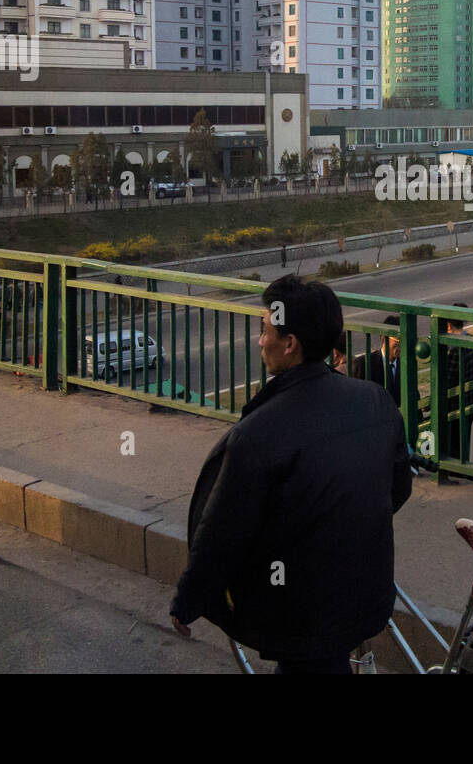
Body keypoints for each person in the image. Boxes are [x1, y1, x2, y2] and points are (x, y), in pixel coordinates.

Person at [170, 275, 412, 672]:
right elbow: (396, 490)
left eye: (265, 330)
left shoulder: (258, 433)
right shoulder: (376, 401)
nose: (260, 340)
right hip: (365, 596)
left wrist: (188, 598)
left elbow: (221, 532)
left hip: (299, 616)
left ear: (289, 343)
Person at [438, 305, 473, 462]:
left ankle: (456, 472)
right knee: (463, 443)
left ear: (449, 325)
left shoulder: (454, 350)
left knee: (453, 446)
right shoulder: (472, 340)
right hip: (472, 400)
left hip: (455, 405)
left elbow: (448, 380)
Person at [350, 314, 418, 414]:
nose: (402, 346)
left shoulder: (407, 364)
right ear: (383, 338)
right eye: (398, 341)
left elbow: (414, 396)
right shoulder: (363, 364)